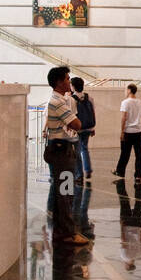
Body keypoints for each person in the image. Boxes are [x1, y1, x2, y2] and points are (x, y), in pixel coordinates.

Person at [44, 66, 89, 245]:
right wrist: (74, 123)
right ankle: (68, 233)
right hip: (62, 152)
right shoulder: (59, 102)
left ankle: (61, 231)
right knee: (65, 193)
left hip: (60, 150)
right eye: (67, 79)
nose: (69, 82)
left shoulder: (59, 100)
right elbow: (76, 124)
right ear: (59, 82)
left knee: (62, 193)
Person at [113, 83, 141, 179]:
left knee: (125, 153)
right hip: (138, 132)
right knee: (138, 154)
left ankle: (120, 171)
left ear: (129, 90)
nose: (125, 91)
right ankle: (138, 175)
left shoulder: (125, 102)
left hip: (128, 131)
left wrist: (122, 131)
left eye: (126, 89)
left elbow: (124, 118)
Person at [70, 76, 95, 182]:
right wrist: (92, 127)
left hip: (77, 128)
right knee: (84, 148)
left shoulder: (71, 99)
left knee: (76, 151)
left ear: (73, 86)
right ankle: (88, 169)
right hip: (88, 127)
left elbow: (71, 115)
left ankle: (79, 174)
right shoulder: (89, 97)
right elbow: (93, 112)